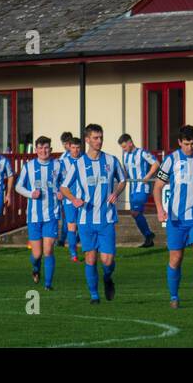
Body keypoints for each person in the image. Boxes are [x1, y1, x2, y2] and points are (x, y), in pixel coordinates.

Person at [60, 123, 126, 304]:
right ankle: (94, 296)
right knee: (90, 257)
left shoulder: (111, 161)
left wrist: (116, 192)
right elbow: (64, 187)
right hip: (85, 219)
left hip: (106, 219)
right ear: (87, 140)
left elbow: (122, 180)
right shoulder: (79, 163)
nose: (99, 141)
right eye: (96, 138)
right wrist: (74, 199)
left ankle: (107, 278)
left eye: (101, 137)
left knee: (107, 260)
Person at [155, 125, 193, 309]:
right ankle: (174, 296)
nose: (190, 147)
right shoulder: (170, 160)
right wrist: (159, 209)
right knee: (175, 258)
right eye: (186, 144)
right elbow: (157, 187)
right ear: (179, 142)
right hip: (176, 219)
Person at [15, 136, 63, 290]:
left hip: (52, 215)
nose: (44, 151)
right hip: (34, 216)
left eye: (46, 148)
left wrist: (63, 193)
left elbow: (66, 184)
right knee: (36, 254)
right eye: (41, 148)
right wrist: (30, 194)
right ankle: (36, 268)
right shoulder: (28, 166)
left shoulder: (57, 165)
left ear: (51, 149)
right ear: (35, 150)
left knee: (48, 249)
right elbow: (18, 186)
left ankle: (48, 285)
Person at [118, 134, 159, 248]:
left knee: (135, 212)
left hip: (142, 187)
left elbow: (156, 163)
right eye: (122, 147)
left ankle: (148, 235)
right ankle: (148, 238)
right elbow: (126, 171)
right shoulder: (125, 155)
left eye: (125, 146)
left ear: (130, 142)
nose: (124, 149)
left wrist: (148, 176)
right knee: (135, 214)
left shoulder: (142, 153)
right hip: (132, 188)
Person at [58, 136, 84, 262]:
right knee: (72, 226)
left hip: (84, 199)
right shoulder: (63, 162)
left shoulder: (85, 160)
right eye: (73, 147)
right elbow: (57, 179)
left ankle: (89, 250)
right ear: (69, 148)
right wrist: (59, 191)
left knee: (85, 226)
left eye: (78, 147)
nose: (75, 150)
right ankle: (73, 254)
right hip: (69, 200)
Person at [55, 131, 74, 246]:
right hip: (66, 191)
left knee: (71, 217)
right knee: (66, 216)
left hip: (75, 191)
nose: (65, 146)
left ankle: (66, 239)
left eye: (66, 143)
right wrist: (59, 189)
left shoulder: (78, 155)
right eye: (64, 144)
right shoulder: (63, 157)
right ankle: (63, 239)